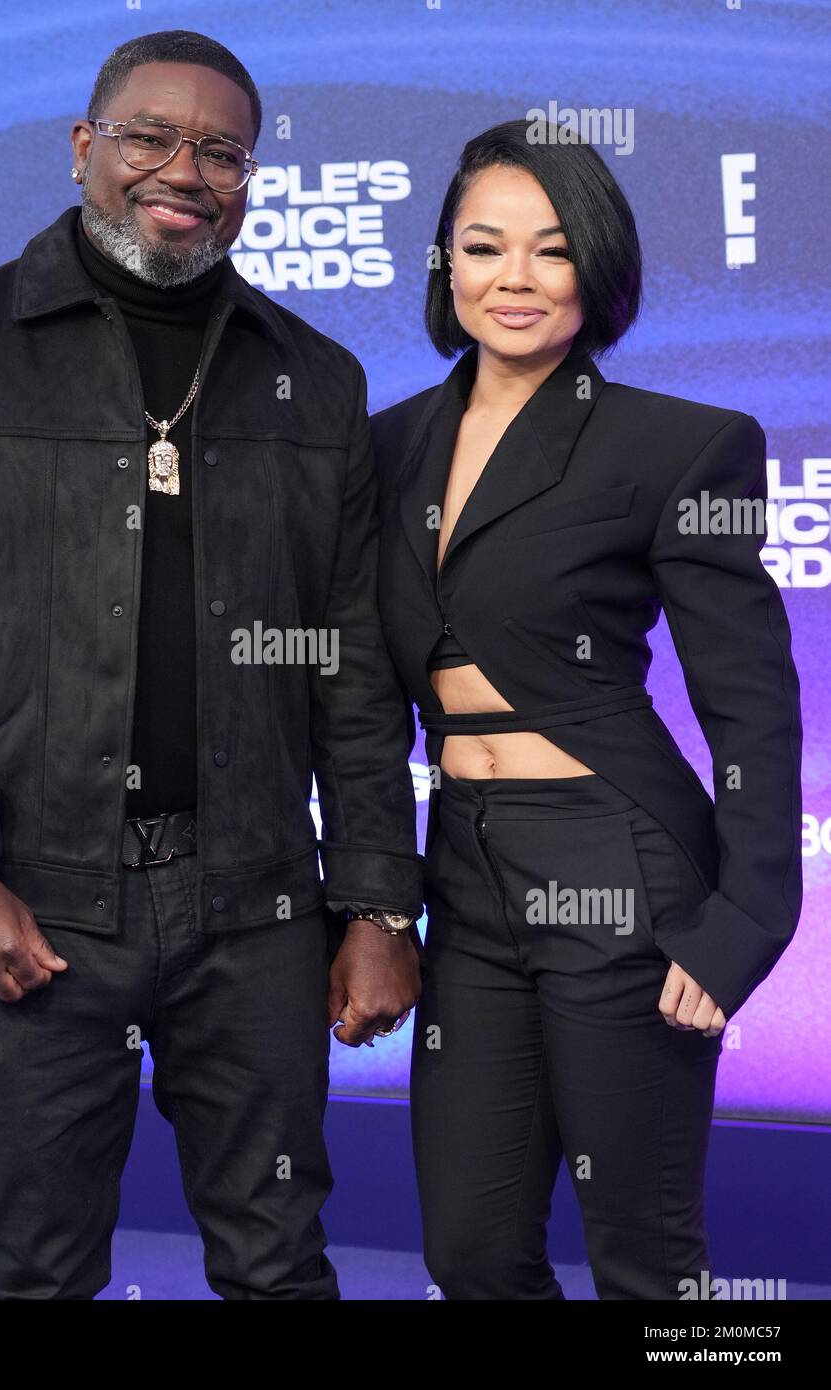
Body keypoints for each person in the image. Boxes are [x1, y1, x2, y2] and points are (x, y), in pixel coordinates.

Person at [0, 29, 424, 1301]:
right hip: (33, 906)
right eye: (151, 135)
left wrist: (376, 904)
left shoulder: (313, 383)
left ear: (248, 178)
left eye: (221, 150)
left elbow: (352, 675)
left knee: (279, 1265)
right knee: (34, 1268)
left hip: (256, 908)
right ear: (85, 146)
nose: (184, 170)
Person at [370, 119, 802, 1300]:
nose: (512, 278)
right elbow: (354, 692)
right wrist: (366, 904)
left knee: (645, 1257)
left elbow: (748, 703)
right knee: (470, 1251)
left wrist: (745, 917)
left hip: (622, 869)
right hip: (463, 876)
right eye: (482, 246)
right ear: (442, 264)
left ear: (596, 269)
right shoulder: (382, 449)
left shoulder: (678, 445)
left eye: (549, 250)